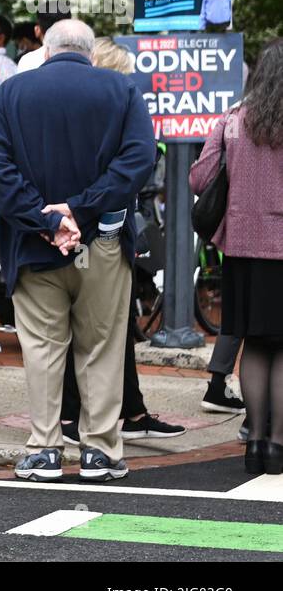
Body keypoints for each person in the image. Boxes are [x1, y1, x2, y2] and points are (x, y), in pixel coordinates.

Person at [0, 19, 156, 483]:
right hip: (103, 244)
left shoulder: (12, 93)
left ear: (45, 48)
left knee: (42, 349)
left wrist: (47, 219)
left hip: (34, 247)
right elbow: (139, 158)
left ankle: (44, 449)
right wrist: (81, 210)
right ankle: (99, 450)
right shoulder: (121, 92)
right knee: (101, 346)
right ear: (91, 52)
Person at [57, 37, 185, 444]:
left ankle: (128, 410)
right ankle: (81, 419)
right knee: (93, 329)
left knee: (115, 325)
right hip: (98, 231)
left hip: (105, 227)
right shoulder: (109, 110)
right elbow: (132, 164)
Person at [191, 40, 283, 474]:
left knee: (253, 344)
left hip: (242, 250)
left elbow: (199, 178)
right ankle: (279, 444)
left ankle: (255, 446)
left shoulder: (232, 121)